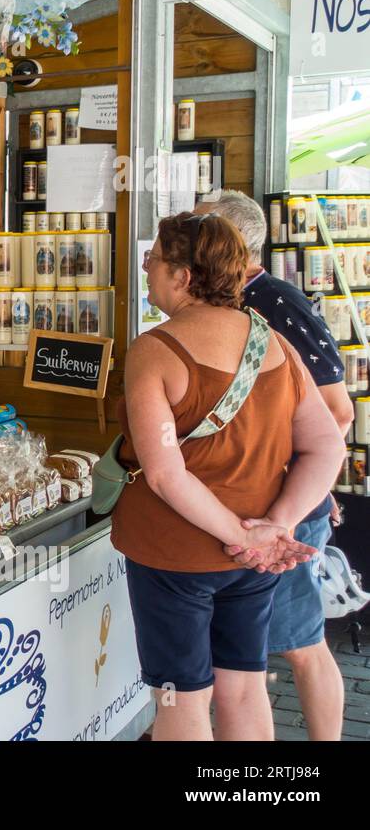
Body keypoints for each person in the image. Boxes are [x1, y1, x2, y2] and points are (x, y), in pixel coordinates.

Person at [112, 212, 343, 741]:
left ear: (183, 277)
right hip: (254, 559)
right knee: (244, 685)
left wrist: (245, 535)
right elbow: (327, 443)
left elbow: (166, 475)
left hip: (175, 555)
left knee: (181, 699)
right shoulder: (274, 345)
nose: (146, 268)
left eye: (154, 259)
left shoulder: (156, 350)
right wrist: (273, 528)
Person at [199, 192, 352, 741]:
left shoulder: (277, 302)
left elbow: (337, 411)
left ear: (229, 243)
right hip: (254, 509)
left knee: (302, 645)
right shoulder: (232, 303)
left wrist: (299, 493)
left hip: (283, 514)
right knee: (252, 652)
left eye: (199, 228)